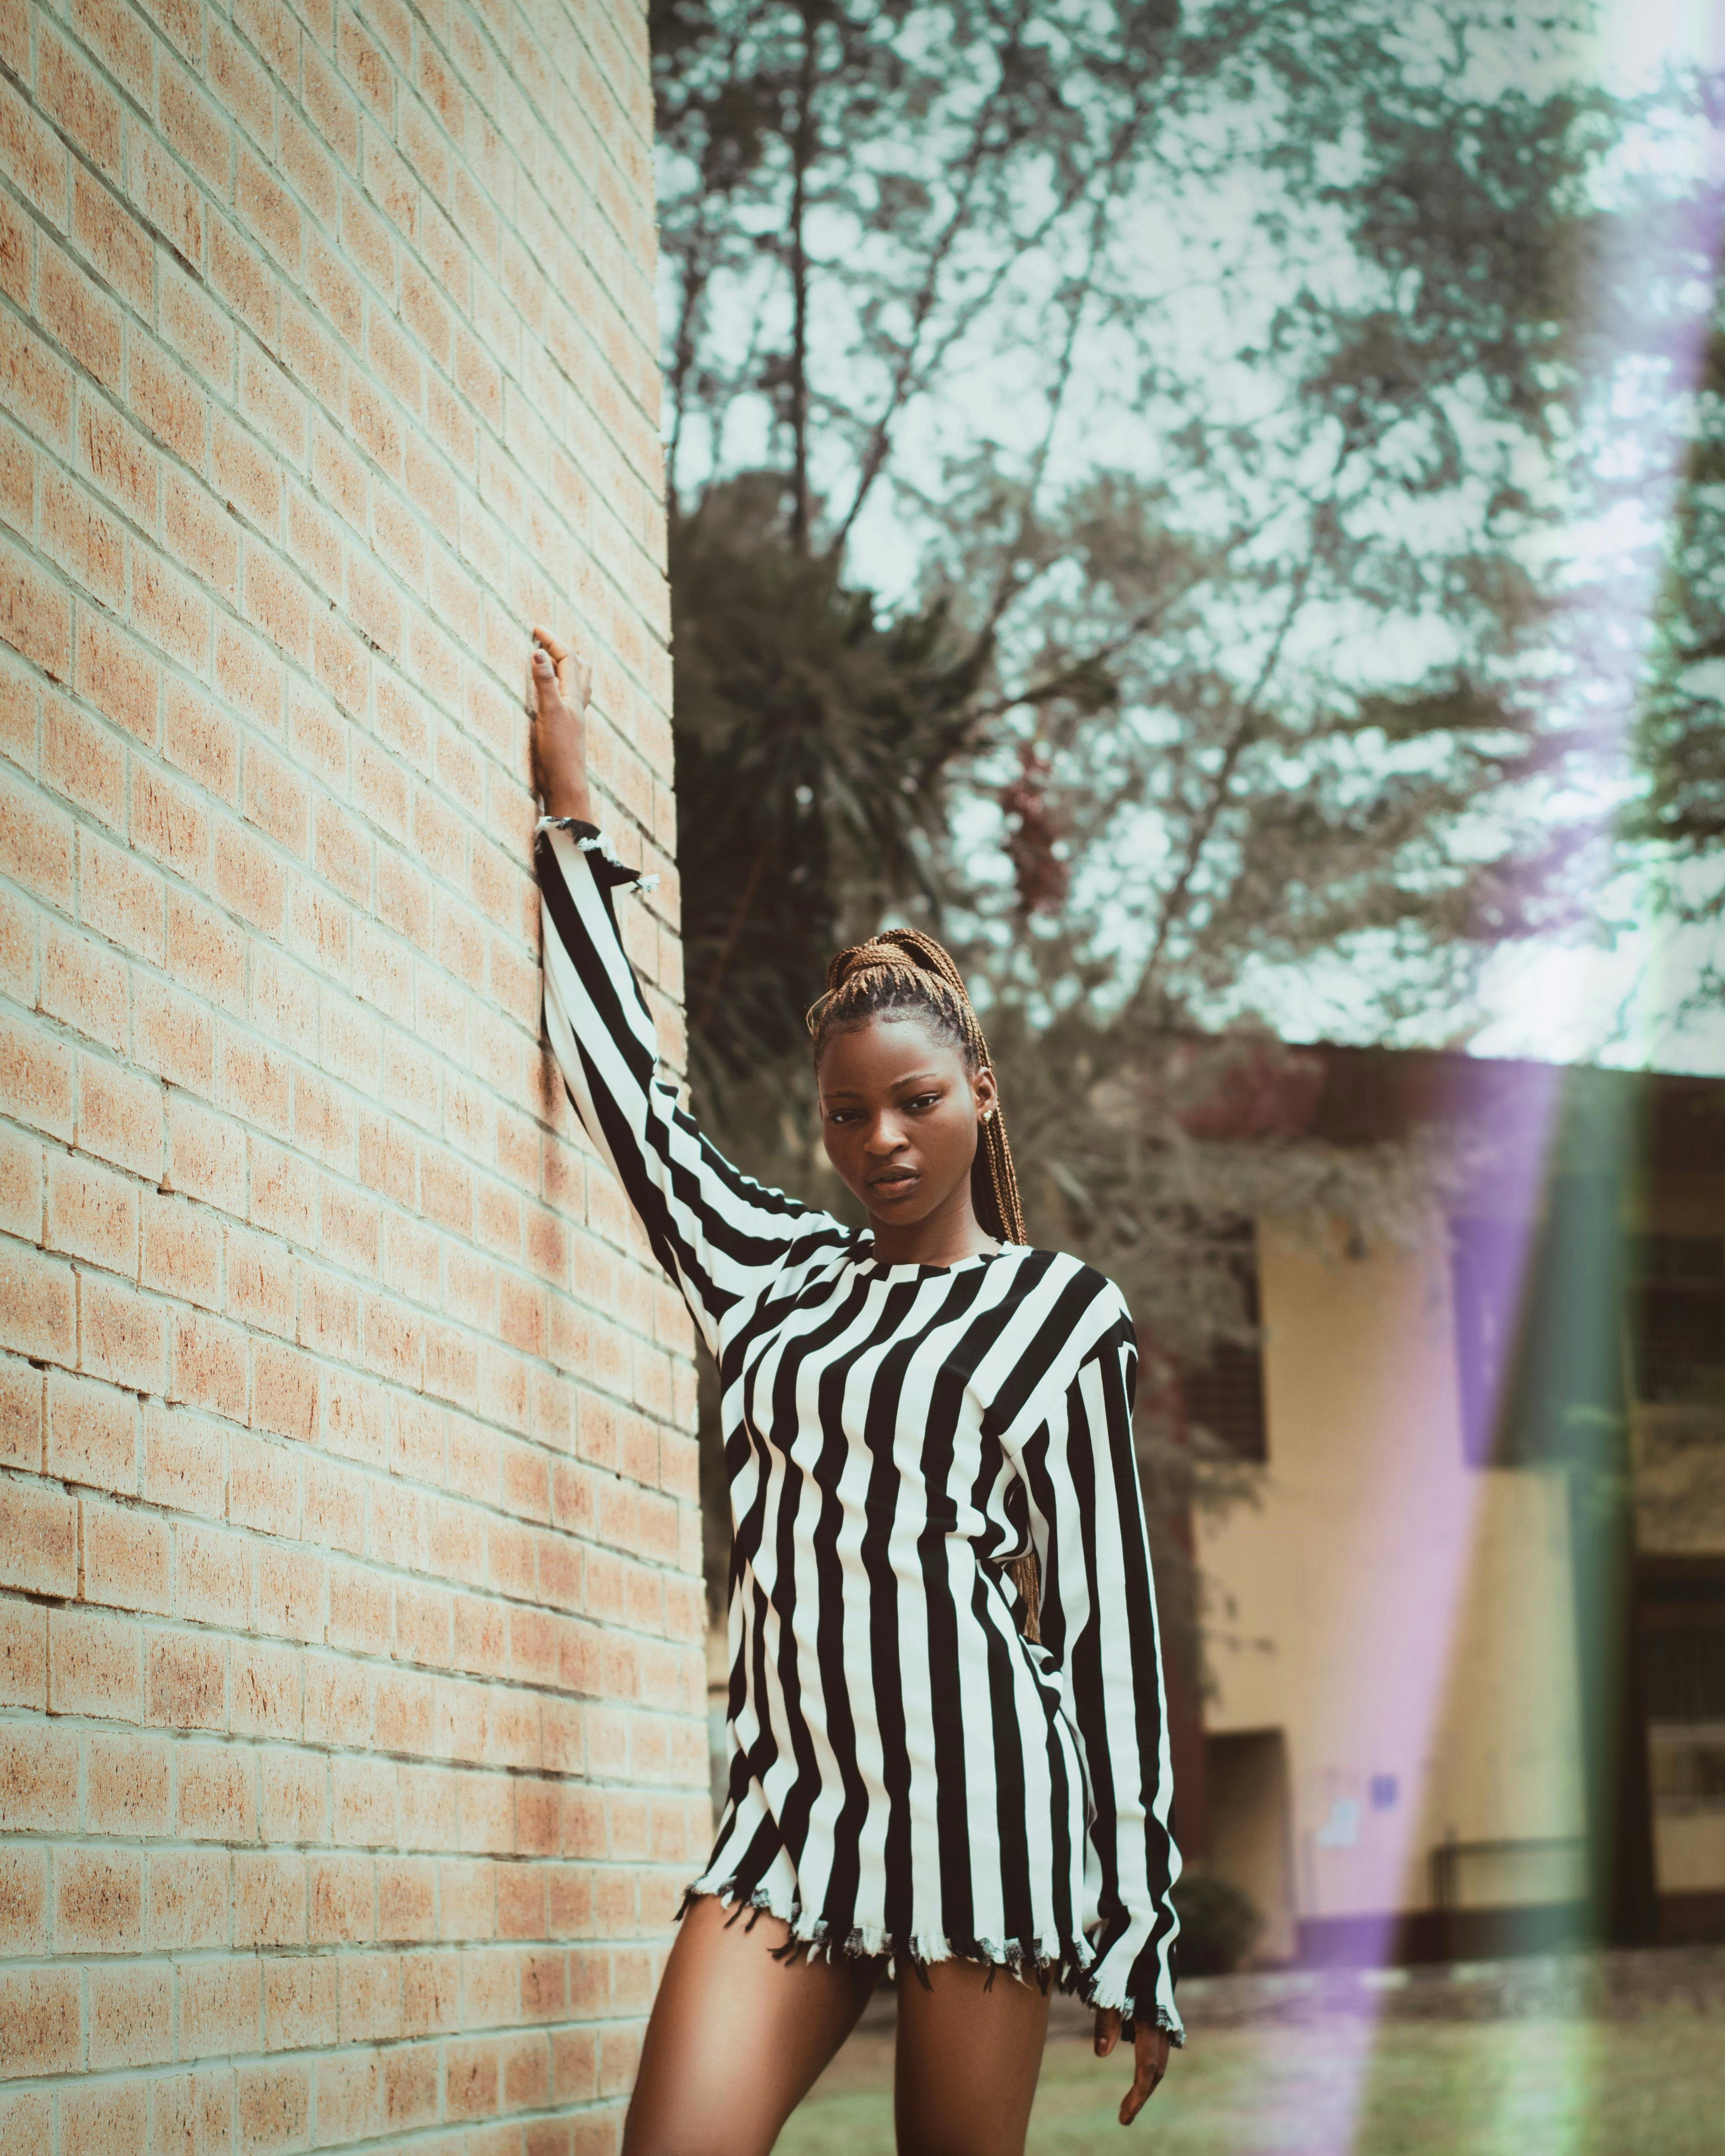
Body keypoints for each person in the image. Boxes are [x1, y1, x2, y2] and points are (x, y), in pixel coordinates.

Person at [526, 625, 1183, 2156]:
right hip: (792, 1828)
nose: (881, 1139)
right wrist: (572, 818)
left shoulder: (1055, 1312)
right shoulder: (773, 1274)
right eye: (847, 1114)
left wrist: (1139, 1924)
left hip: (990, 1826)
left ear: (979, 1095)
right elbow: (636, 1106)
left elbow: (1105, 1633)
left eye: (917, 1102)